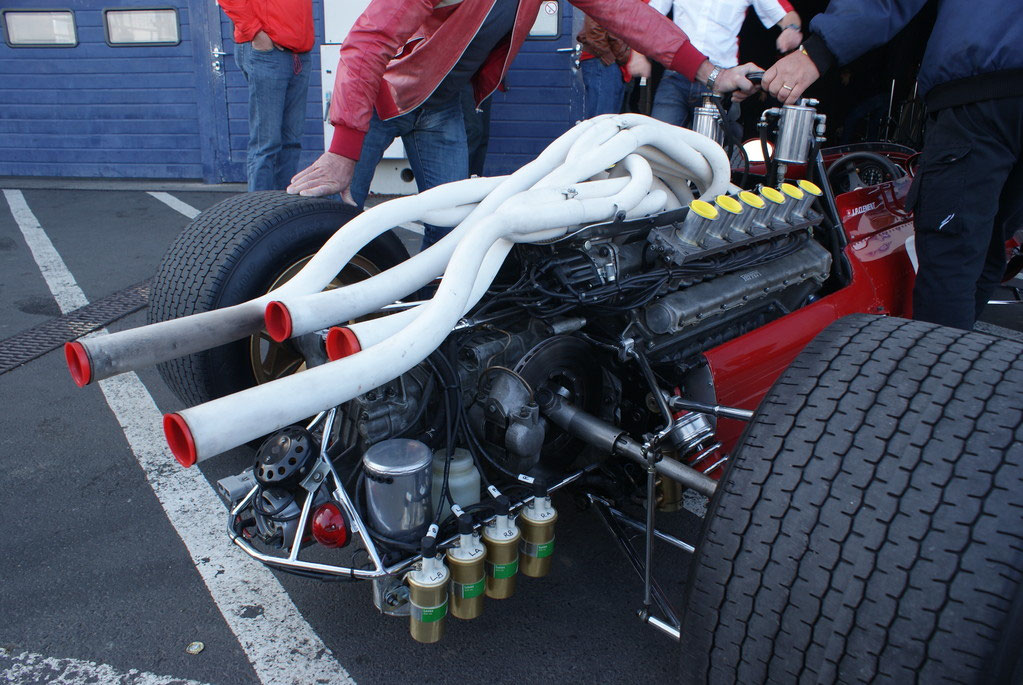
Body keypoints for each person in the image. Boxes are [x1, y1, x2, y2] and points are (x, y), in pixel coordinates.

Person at [286, 0, 762, 247]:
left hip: (442, 110)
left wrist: (711, 72)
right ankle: (310, 315)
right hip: (382, 101)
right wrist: (343, 150)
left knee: (454, 233)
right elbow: (365, 43)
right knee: (332, 219)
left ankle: (427, 334)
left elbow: (627, 14)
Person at [762, 0, 1023, 330]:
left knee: (952, 252)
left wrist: (817, 52)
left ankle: (932, 376)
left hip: (980, 88)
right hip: (989, 91)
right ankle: (955, 362)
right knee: (988, 243)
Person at [647, 0, 803, 128]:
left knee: (711, 155)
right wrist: (638, 55)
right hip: (676, 75)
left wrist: (791, 29)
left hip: (722, 82)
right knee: (657, 144)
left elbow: (788, 15)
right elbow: (647, 14)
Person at [219, 0, 314, 191]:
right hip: (268, 51)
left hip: (298, 53)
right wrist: (255, 33)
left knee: (291, 141)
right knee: (266, 143)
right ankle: (261, 213)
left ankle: (283, 211)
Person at [577, 15, 651, 119]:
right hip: (604, 61)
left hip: (611, 61)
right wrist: (610, 58)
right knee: (603, 119)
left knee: (607, 119)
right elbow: (594, 29)